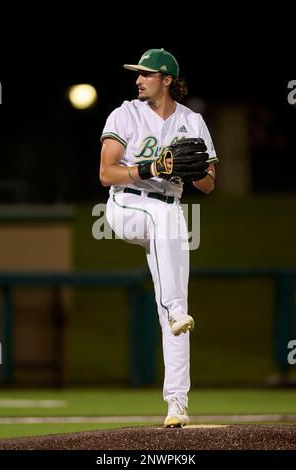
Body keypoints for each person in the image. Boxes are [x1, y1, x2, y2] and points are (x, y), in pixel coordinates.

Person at [99, 48, 217, 427]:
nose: (138, 79)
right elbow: (106, 173)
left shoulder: (193, 121)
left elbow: (210, 183)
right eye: (138, 74)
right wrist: (152, 167)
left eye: (146, 74)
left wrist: (195, 170)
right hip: (126, 207)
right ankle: (174, 306)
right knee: (166, 216)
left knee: (178, 310)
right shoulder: (125, 113)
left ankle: (177, 404)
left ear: (167, 80)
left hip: (168, 212)